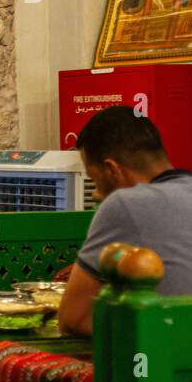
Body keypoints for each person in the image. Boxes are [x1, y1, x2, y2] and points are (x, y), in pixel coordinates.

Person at [59, 105, 192, 336]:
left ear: (112, 169)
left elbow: (74, 320)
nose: (96, 192)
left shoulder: (125, 204)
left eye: (94, 180)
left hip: (168, 364)